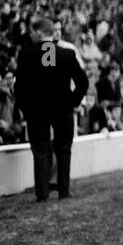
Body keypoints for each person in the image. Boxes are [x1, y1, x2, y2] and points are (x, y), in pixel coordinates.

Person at [15, 15, 89, 201]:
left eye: (32, 31)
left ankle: (42, 194)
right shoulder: (66, 54)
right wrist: (72, 102)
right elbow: (83, 82)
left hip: (36, 110)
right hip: (62, 109)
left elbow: (19, 87)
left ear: (39, 32)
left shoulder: (26, 55)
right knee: (63, 149)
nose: (30, 35)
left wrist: (25, 107)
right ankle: (64, 191)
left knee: (41, 150)